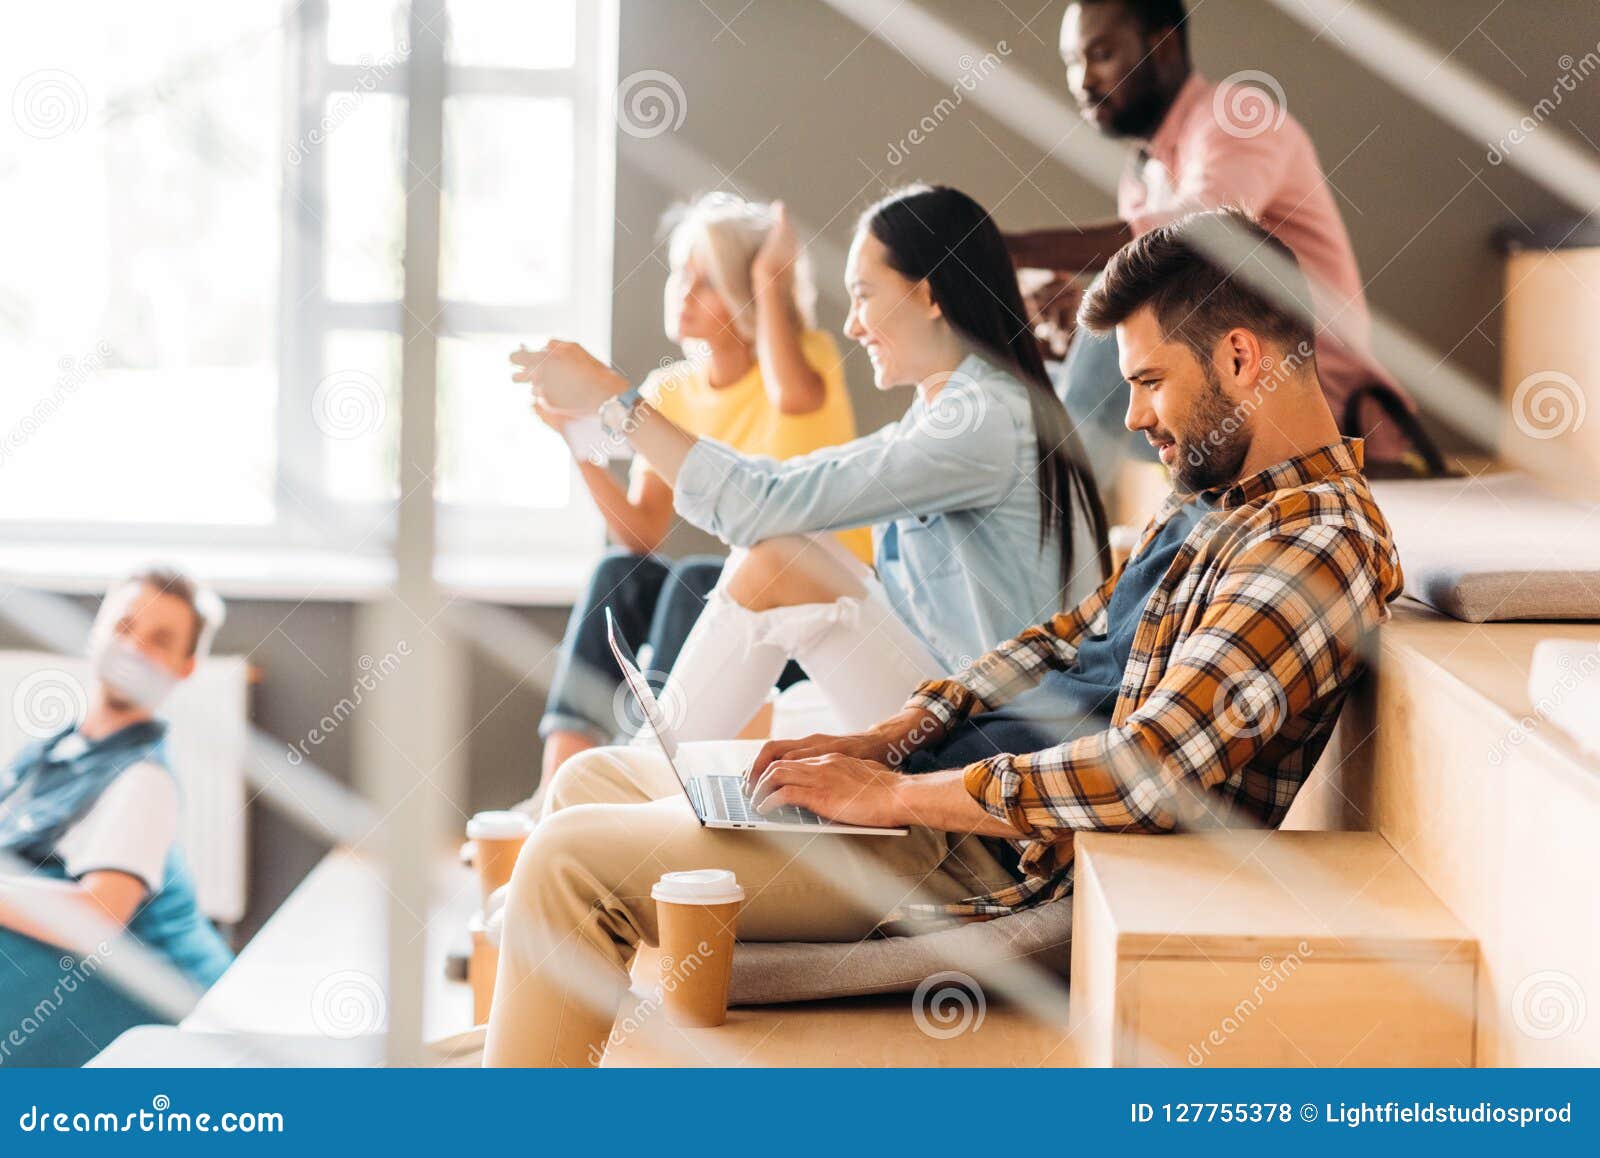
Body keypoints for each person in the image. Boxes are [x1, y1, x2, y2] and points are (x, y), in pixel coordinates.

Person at [480, 208, 1403, 1068]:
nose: (1131, 417)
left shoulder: (1314, 546)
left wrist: (894, 793)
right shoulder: (1213, 504)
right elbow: (1059, 643)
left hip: (976, 852)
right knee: (586, 780)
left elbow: (1146, 772)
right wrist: (883, 737)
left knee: (565, 864)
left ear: (1241, 358)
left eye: (1150, 382)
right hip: (933, 798)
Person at [511, 184, 1109, 746]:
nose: (851, 325)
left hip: (993, 735)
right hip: (960, 701)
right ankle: (643, 770)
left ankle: (644, 771)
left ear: (928, 296)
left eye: (863, 295)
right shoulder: (957, 410)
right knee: (776, 631)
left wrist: (616, 401)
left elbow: (761, 504)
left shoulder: (981, 420)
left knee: (777, 559)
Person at [1008, 0, 1426, 485]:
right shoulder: (1144, 171)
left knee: (1095, 358)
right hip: (1213, 393)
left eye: (1099, 55)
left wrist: (1007, 249)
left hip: (1308, 401)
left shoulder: (1235, 119)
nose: (1083, 81)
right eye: (1072, 63)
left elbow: (1198, 235)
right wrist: (1078, 321)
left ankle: (1052, 549)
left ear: (1160, 45)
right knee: (1042, 386)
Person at [534, 193, 871, 785]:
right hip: (740, 607)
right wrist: (573, 441)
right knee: (619, 573)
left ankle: (654, 777)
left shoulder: (803, 363)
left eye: (706, 281)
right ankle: (551, 795)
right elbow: (642, 533)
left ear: (745, 296)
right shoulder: (668, 392)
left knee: (695, 577)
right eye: (680, 275)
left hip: (819, 613)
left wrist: (771, 276)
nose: (682, 293)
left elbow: (793, 398)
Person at [0, 567, 234, 1067]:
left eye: (159, 640)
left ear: (184, 666)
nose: (133, 649)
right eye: (125, 628)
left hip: (167, 995)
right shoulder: (52, 750)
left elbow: (99, 914)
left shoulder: (144, 781)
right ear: (97, 632)